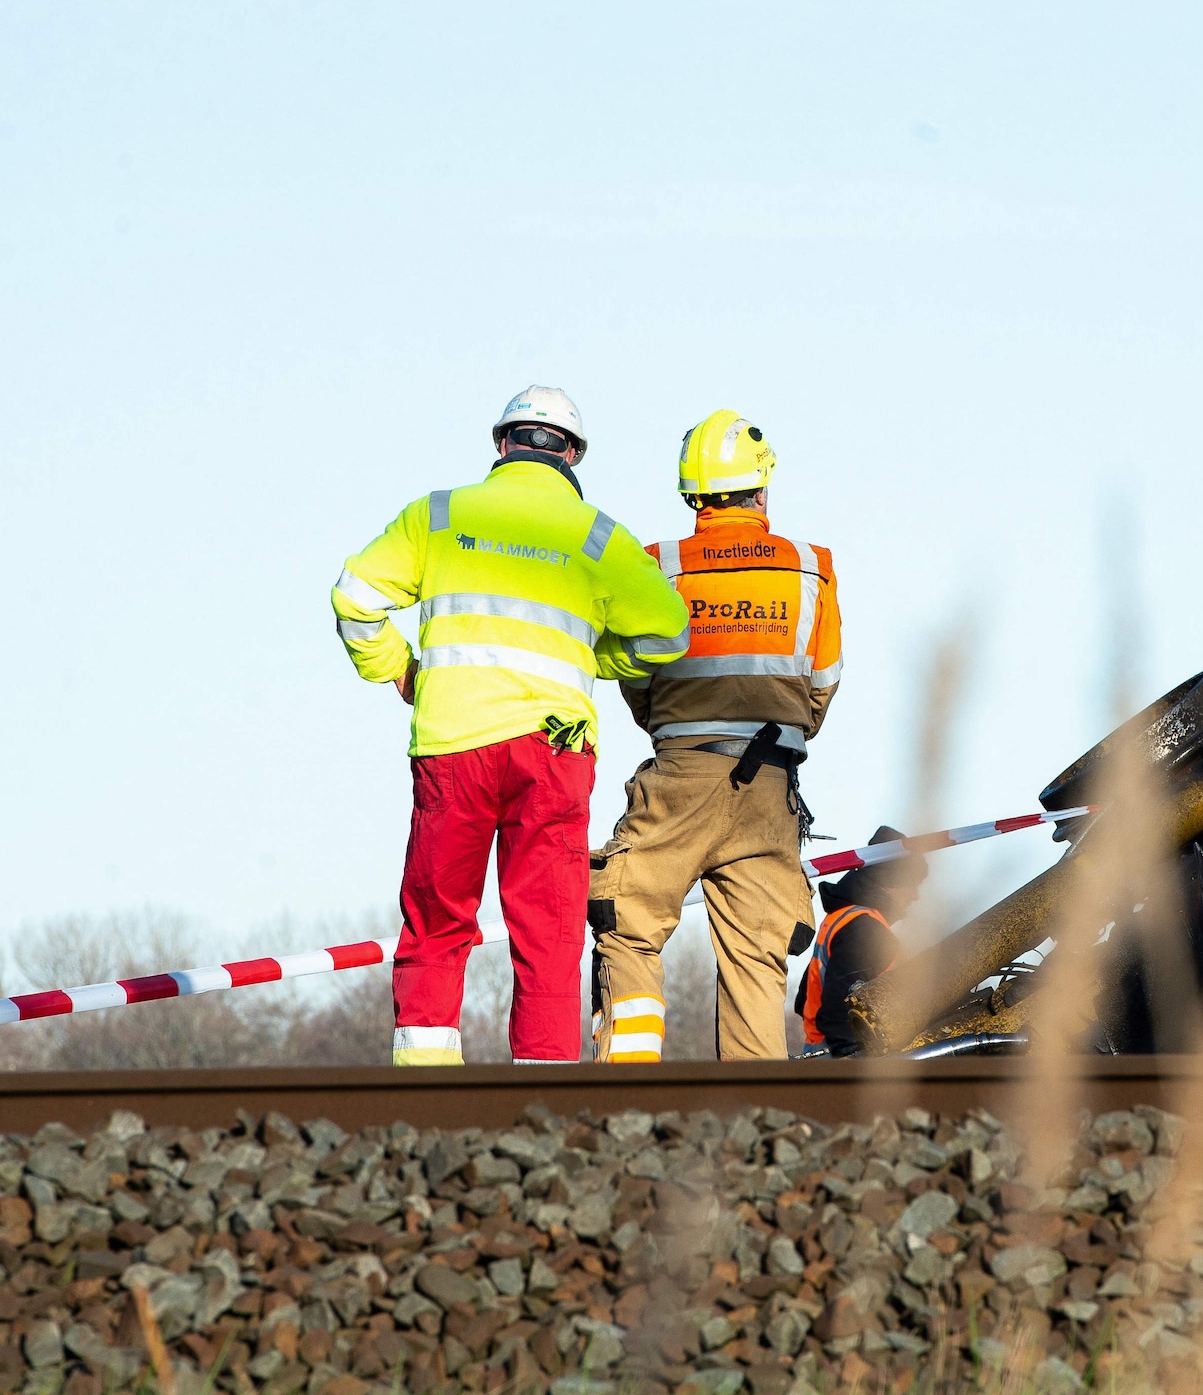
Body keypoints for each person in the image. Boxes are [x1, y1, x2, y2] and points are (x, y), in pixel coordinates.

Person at [331, 386, 689, 1065]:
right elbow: (668, 634)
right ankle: (544, 1098)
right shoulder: (597, 536)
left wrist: (401, 670)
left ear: (502, 444)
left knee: (437, 923)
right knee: (549, 934)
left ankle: (427, 1093)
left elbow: (354, 599)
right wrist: (595, 658)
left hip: (452, 745)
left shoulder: (438, 515)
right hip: (554, 751)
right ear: (573, 455)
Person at [587, 409, 841, 1061]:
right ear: (762, 489)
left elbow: (635, 675)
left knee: (628, 918)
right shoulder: (810, 569)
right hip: (771, 784)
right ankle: (755, 1117)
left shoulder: (658, 566)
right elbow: (821, 681)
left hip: (680, 774)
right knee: (758, 952)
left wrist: (675, 727)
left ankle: (629, 1090)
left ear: (691, 493)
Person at [795, 828, 929, 1056]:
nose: (916, 895)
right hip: (841, 1060)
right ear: (889, 880)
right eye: (912, 883)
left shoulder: (847, 916)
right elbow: (839, 1010)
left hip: (820, 1051)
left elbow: (803, 999)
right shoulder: (867, 929)